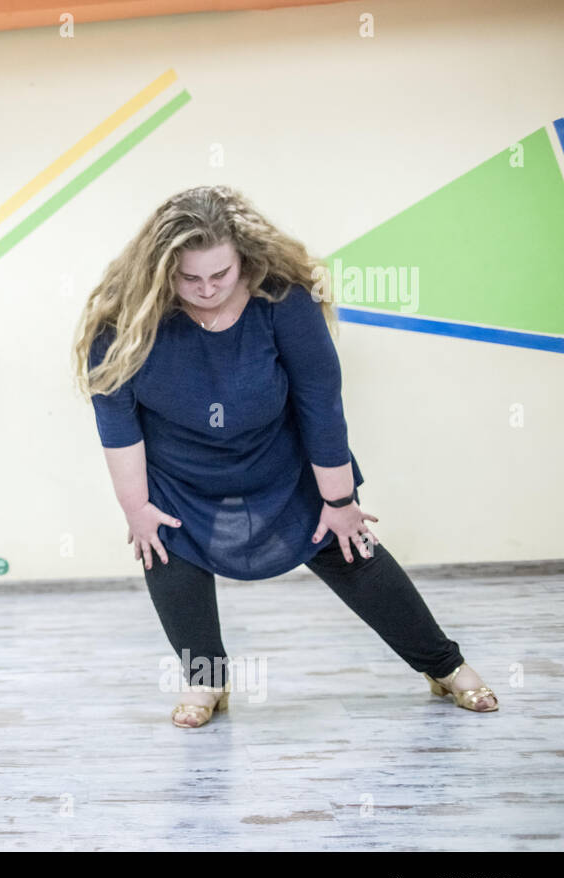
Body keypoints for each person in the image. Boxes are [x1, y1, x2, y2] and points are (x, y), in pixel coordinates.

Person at [73, 185, 498, 727]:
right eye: (189, 278)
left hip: (283, 462)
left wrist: (340, 500)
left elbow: (320, 401)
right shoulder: (124, 320)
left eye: (220, 275)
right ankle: (206, 683)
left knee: (352, 548)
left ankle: (446, 666)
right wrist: (136, 507)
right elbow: (116, 420)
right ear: (161, 270)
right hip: (180, 475)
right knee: (165, 552)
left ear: (243, 262)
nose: (206, 289)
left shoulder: (283, 301)